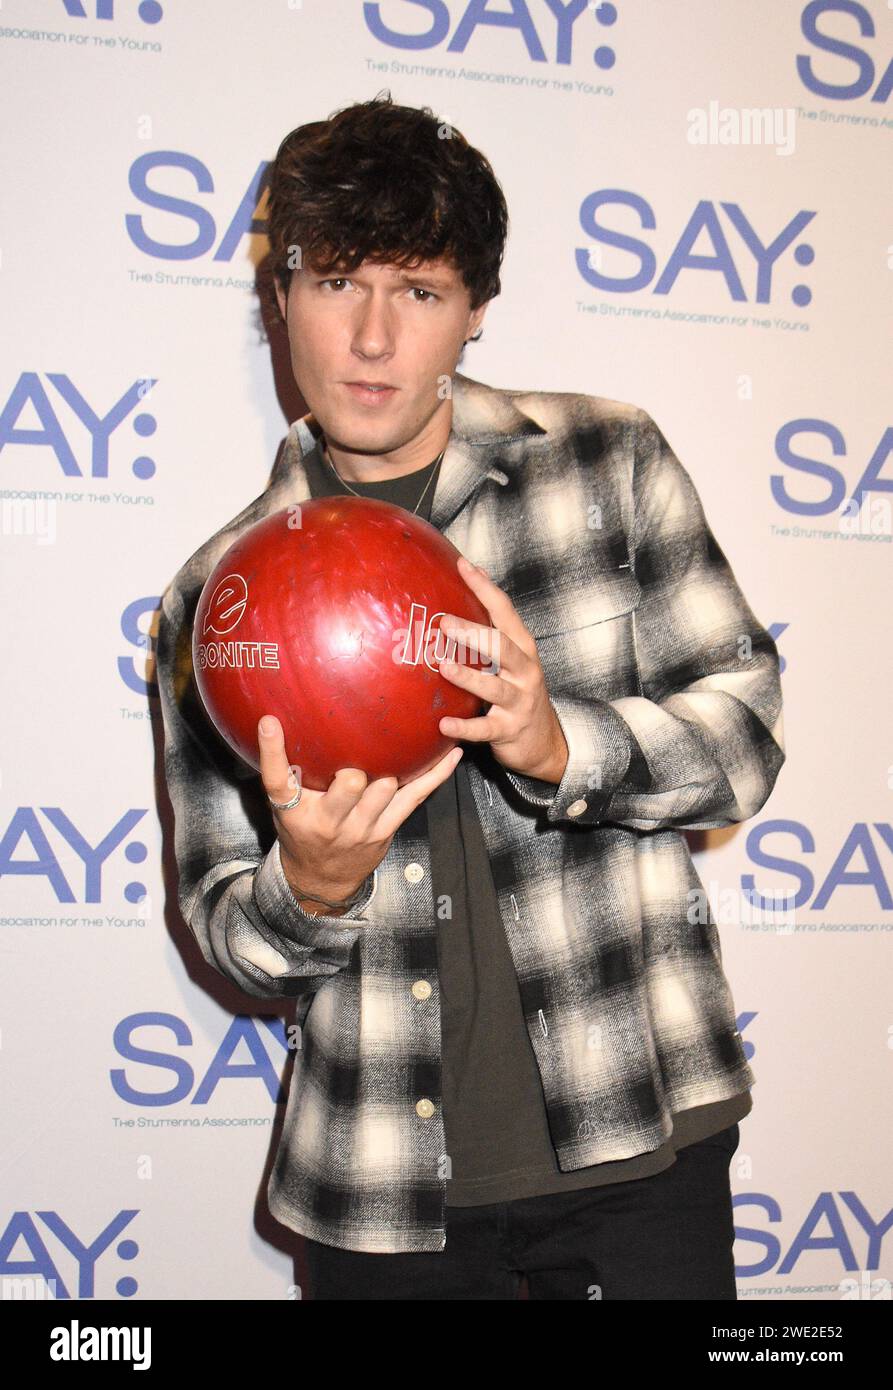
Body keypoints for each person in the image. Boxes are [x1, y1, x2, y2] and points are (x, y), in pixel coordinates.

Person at [154, 92, 786, 1301]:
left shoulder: (609, 461)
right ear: (277, 295)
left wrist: (565, 746)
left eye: (422, 291)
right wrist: (308, 889)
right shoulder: (215, 603)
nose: (374, 339)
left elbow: (746, 730)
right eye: (337, 283)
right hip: (380, 1186)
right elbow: (228, 927)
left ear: (475, 312)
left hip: (639, 1141)